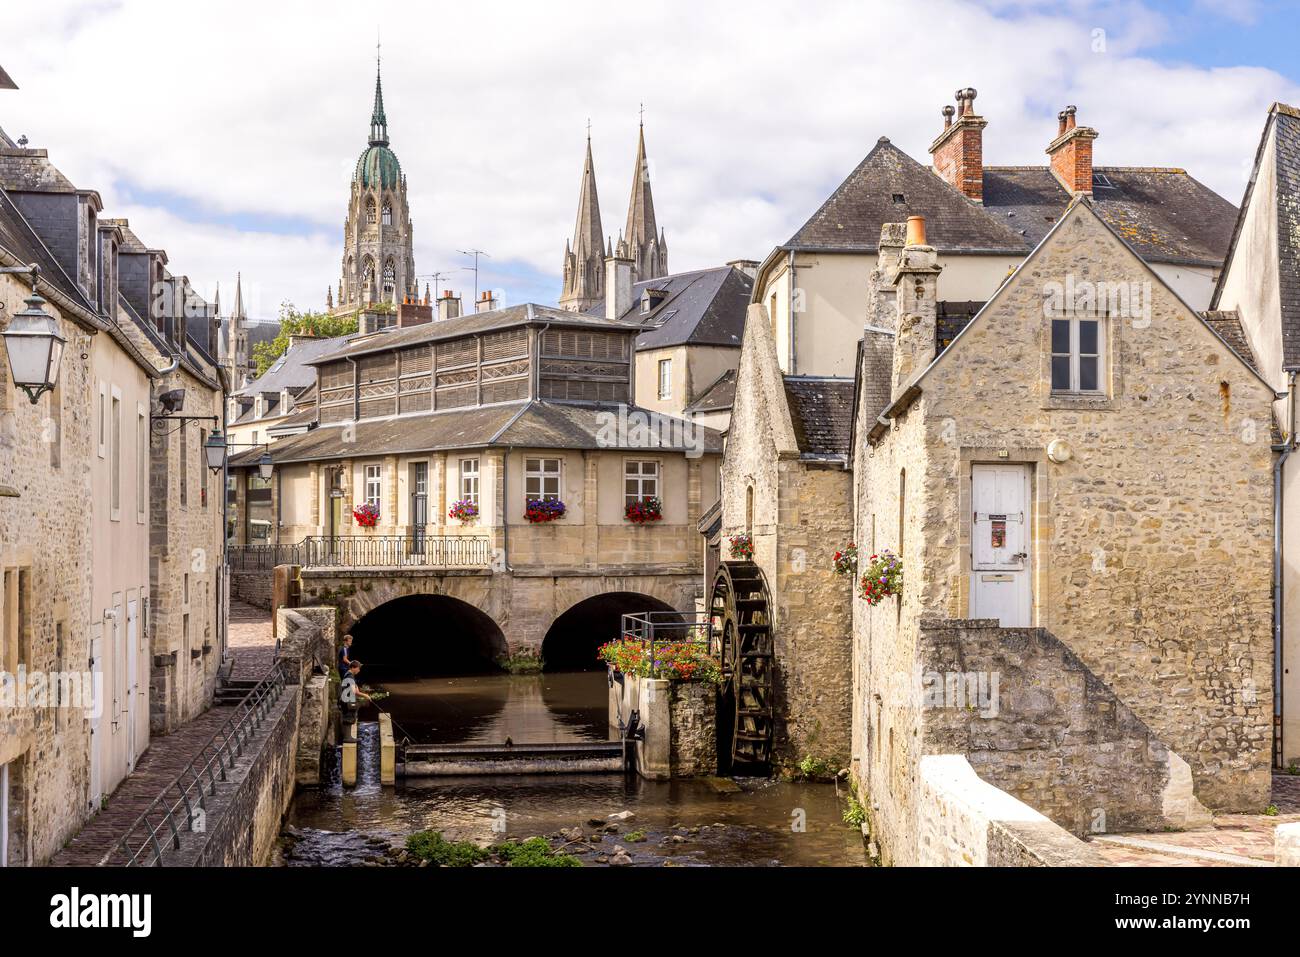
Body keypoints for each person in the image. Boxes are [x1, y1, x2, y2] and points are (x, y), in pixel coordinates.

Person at [339, 660, 372, 735]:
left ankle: (349, 737)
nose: (359, 670)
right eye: (358, 668)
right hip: (347, 701)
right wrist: (365, 695)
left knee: (350, 717)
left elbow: (355, 688)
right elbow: (354, 691)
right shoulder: (350, 676)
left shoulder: (349, 674)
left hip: (346, 699)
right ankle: (347, 737)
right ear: (353, 668)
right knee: (349, 718)